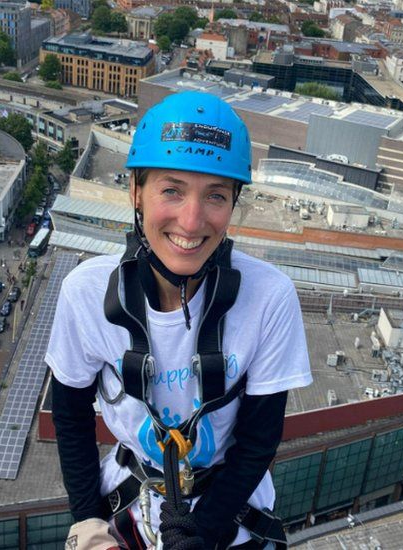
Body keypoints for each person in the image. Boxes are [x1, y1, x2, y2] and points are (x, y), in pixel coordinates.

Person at [46, 91, 312, 549]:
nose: (191, 222)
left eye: (215, 196)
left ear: (233, 203)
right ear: (136, 192)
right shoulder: (86, 293)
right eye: (172, 190)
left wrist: (204, 533)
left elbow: (257, 441)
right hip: (128, 505)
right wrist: (88, 523)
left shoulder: (270, 297)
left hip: (231, 510)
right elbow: (70, 419)